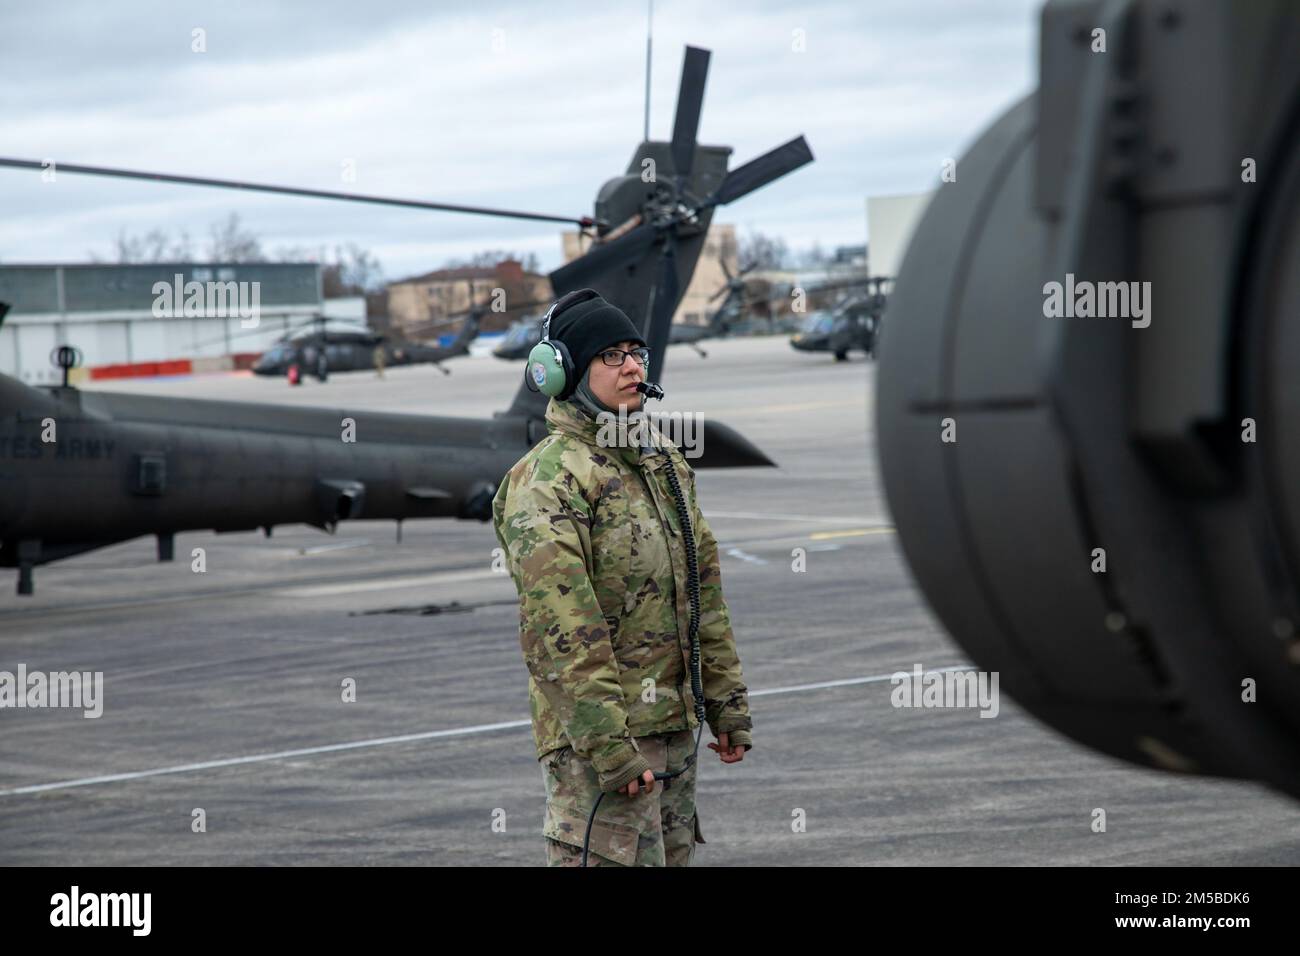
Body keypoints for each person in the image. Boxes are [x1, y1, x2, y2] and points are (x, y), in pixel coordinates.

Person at [491, 291, 752, 867]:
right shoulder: (548, 480)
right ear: (564, 371)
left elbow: (703, 591)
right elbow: (560, 632)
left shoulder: (664, 462)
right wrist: (610, 747)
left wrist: (726, 704)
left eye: (637, 352)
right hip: (603, 751)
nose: (633, 366)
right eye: (612, 355)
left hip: (674, 734)